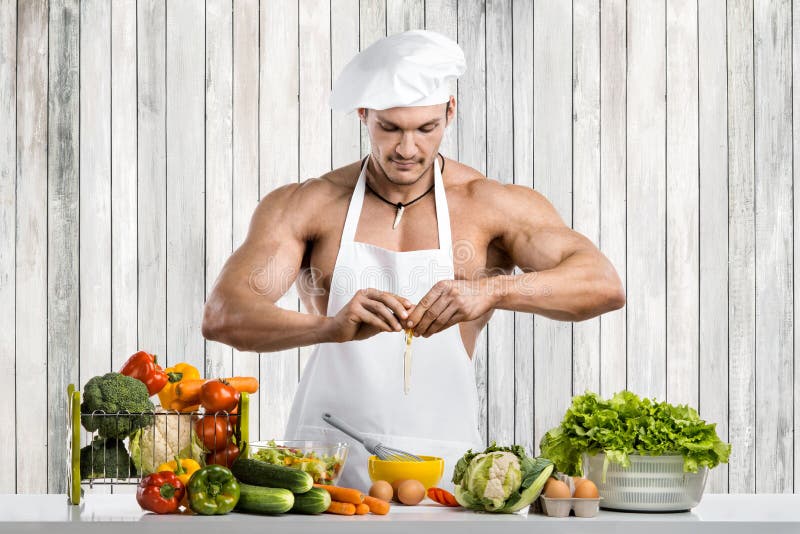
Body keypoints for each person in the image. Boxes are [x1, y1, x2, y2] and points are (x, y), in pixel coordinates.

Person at [202, 30, 625, 492]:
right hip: (322, 471)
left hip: (444, 468)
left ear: (450, 112)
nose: (407, 149)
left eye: (426, 129)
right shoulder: (309, 205)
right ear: (364, 113)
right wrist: (330, 328)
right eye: (390, 128)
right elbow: (224, 315)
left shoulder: (491, 205)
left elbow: (602, 283)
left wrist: (492, 290)